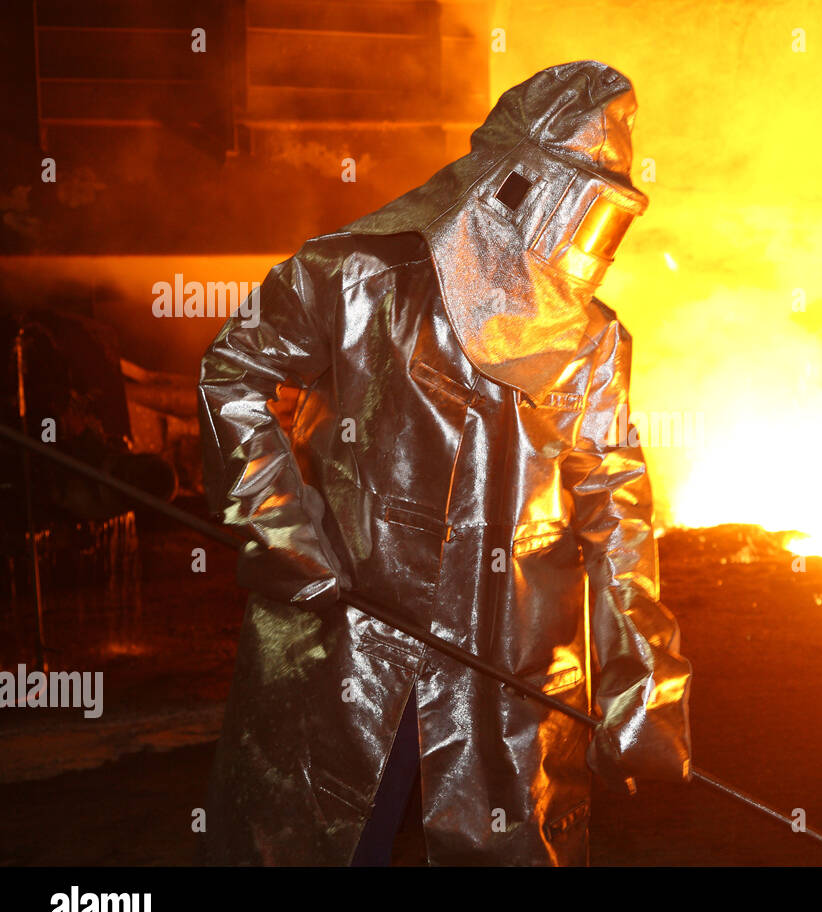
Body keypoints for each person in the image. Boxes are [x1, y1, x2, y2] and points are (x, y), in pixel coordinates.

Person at [196, 60, 692, 866]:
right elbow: (234, 372)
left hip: (505, 669)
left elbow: (618, 512)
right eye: (579, 203)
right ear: (514, 187)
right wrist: (285, 534)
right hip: (347, 646)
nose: (579, 240)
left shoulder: (594, 342)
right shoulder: (356, 277)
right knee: (314, 843)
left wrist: (644, 685)